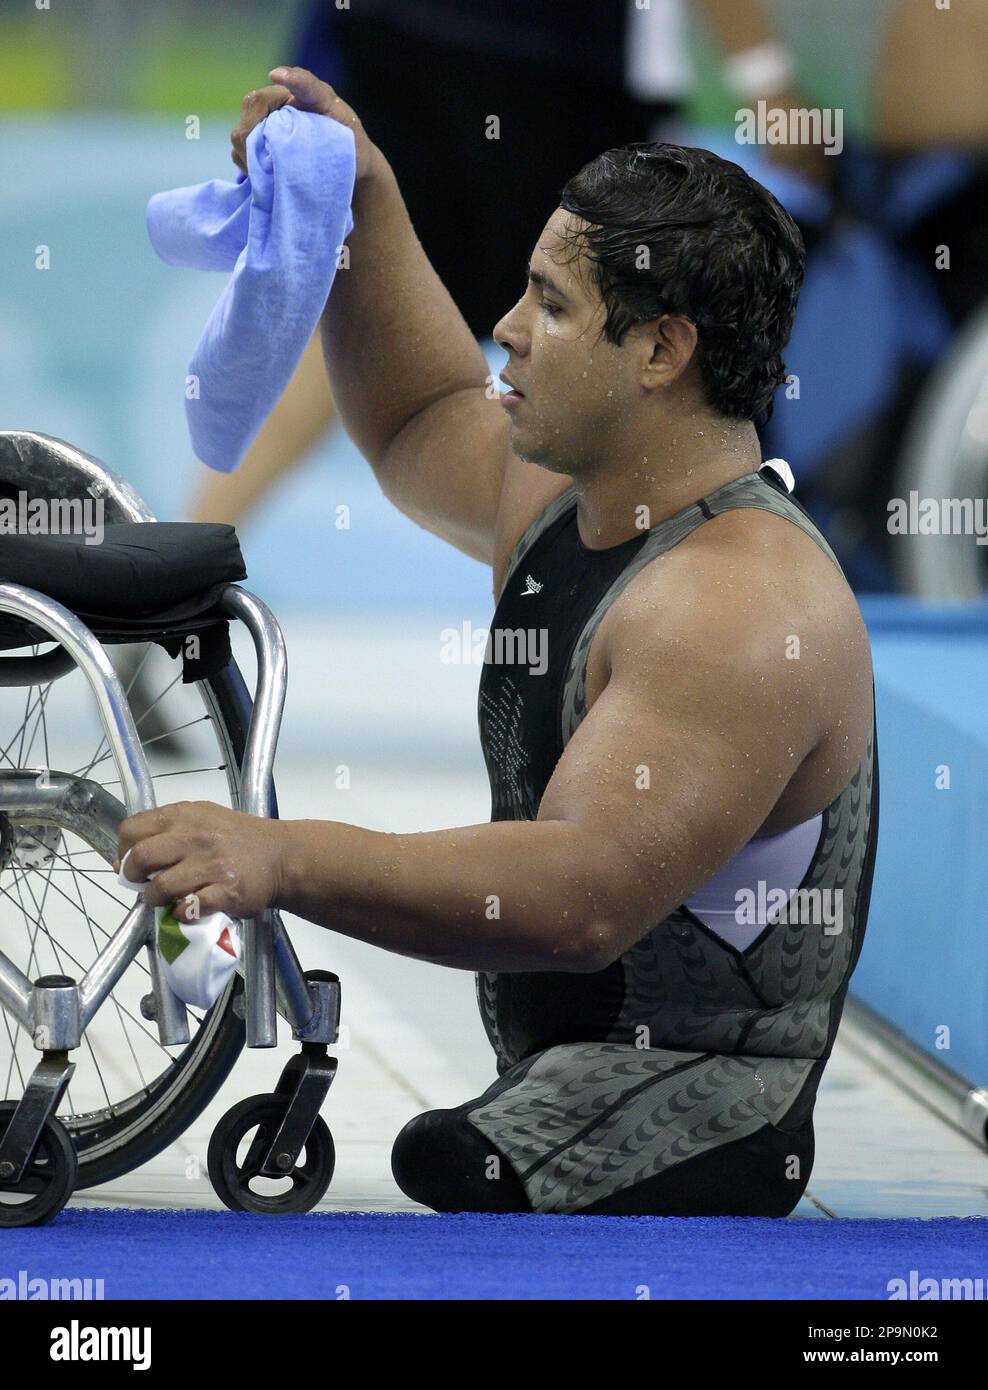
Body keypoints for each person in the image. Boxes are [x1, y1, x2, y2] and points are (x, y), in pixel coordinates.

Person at [117, 67, 879, 1217]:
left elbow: (578, 897)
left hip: (708, 1101)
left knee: (444, 1163)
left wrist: (280, 854)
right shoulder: (575, 497)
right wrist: (361, 200)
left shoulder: (739, 607)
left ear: (660, 351)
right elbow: (422, 414)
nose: (506, 331)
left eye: (550, 304)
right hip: (559, 1075)